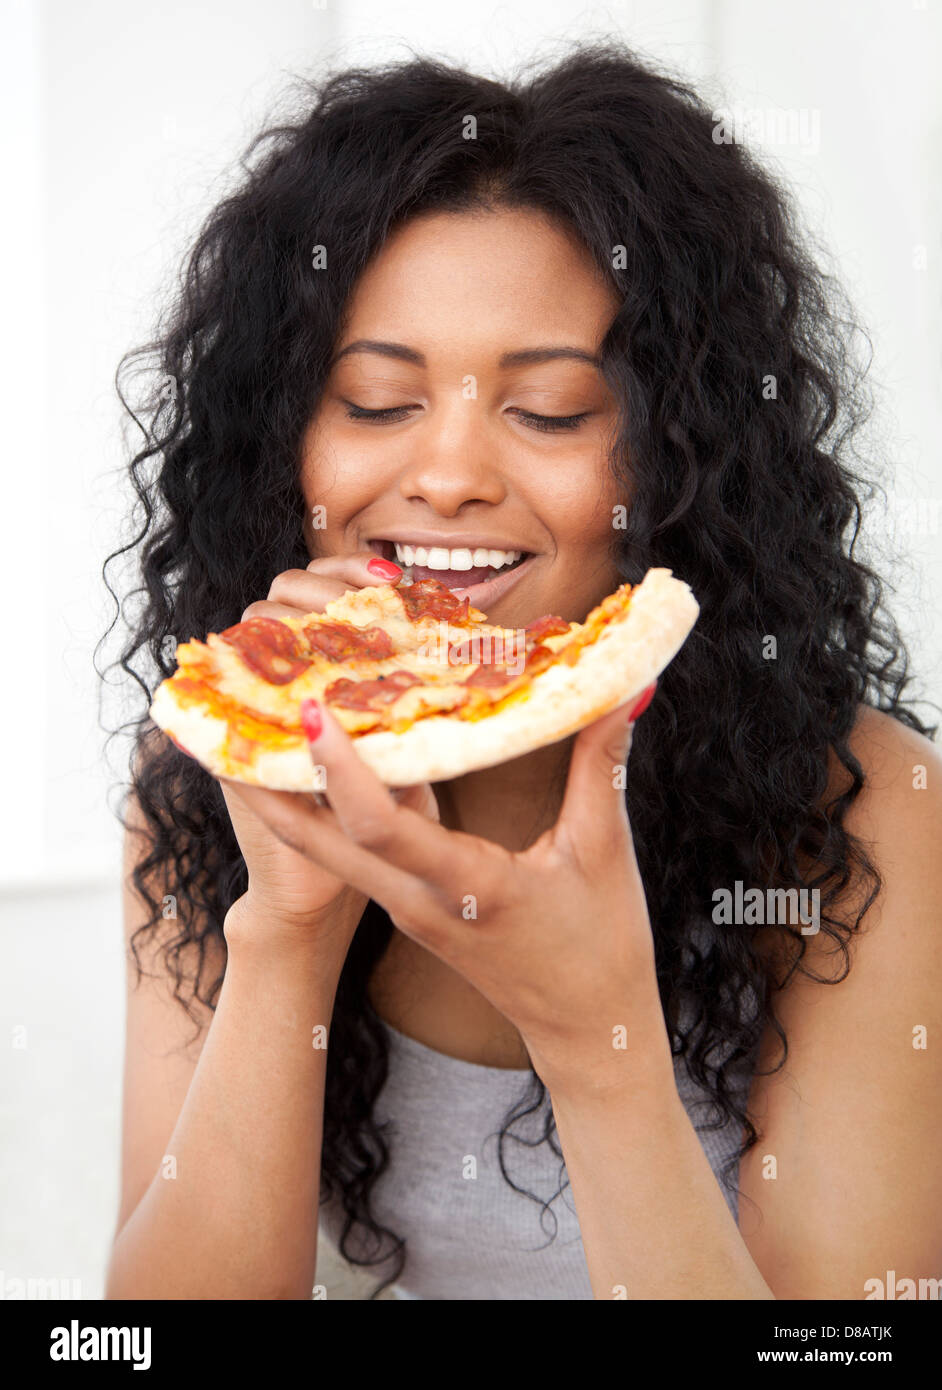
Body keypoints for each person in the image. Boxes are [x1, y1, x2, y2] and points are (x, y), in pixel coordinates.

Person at [100, 42, 942, 1301]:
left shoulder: (868, 815)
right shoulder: (208, 773)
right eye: (377, 403)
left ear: (677, 459)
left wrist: (594, 1039)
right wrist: (287, 938)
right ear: (284, 446)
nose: (446, 477)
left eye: (548, 412)